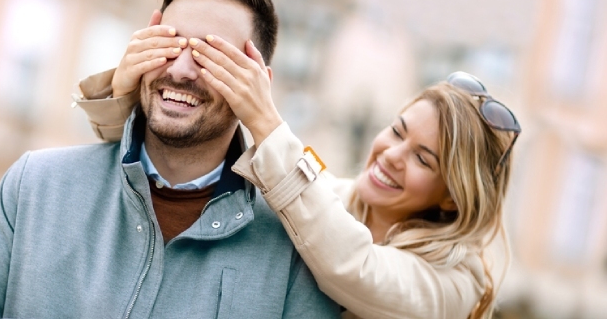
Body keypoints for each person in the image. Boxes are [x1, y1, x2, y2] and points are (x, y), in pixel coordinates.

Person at [0, 0, 343, 318]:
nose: (180, 69)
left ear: (258, 85)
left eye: (211, 56)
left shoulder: (291, 247)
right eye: (169, 43)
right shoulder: (36, 183)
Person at [77, 30, 519, 317]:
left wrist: (267, 121)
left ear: (452, 197)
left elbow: (352, 266)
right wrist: (128, 96)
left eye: (424, 159)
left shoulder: (460, 281)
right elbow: (207, 169)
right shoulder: (329, 200)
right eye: (397, 131)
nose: (392, 154)